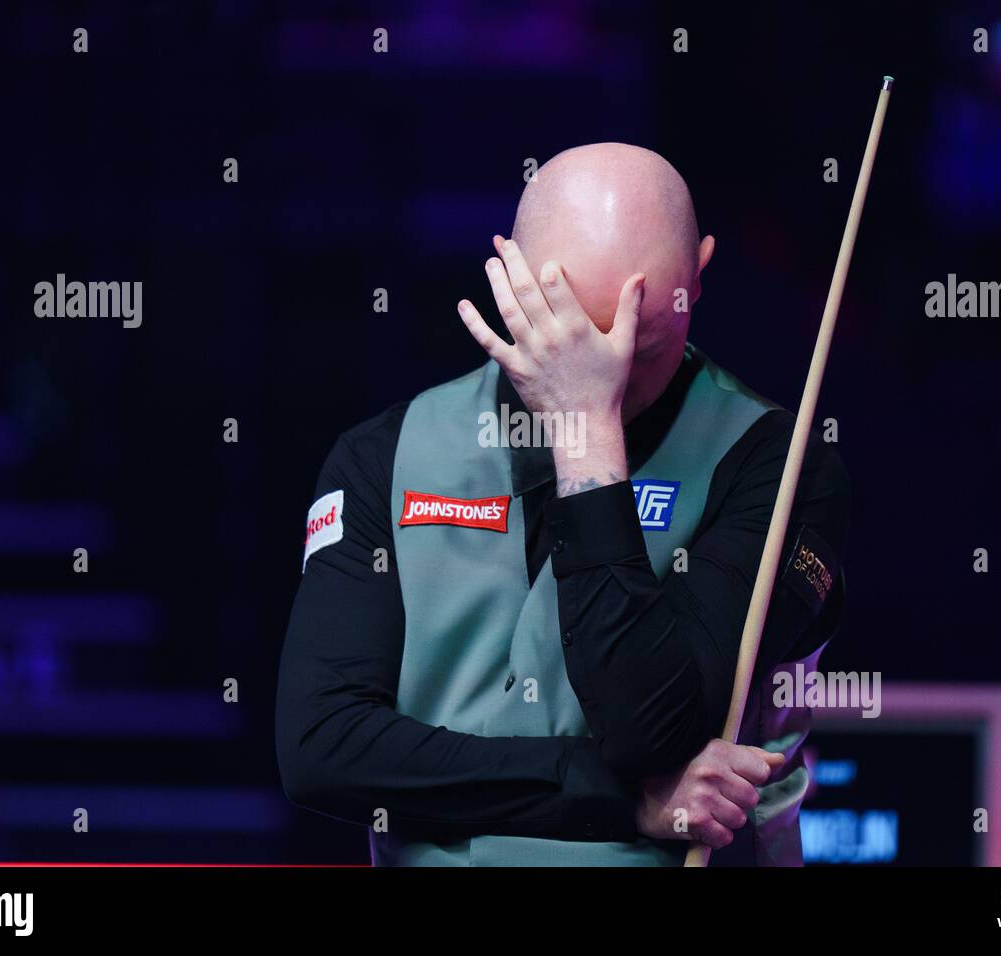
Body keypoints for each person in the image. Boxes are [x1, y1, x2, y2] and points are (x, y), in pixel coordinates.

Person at [276, 143, 850, 866]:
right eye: (571, 333)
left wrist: (586, 441)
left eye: (637, 350)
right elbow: (324, 750)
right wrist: (618, 801)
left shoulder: (781, 468)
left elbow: (655, 730)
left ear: (698, 276)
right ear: (508, 274)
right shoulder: (380, 456)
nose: (602, 377)